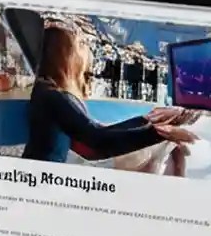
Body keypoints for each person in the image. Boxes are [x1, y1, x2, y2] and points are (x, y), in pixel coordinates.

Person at [23, 27, 197, 165]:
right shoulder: (54, 97)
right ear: (67, 55)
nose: (87, 54)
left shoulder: (47, 92)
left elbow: (94, 140)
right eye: (82, 45)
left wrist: (147, 119)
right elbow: (98, 143)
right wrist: (159, 134)